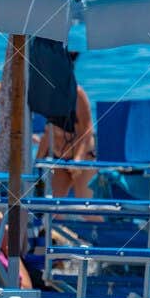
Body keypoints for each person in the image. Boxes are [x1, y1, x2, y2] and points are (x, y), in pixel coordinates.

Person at [38, 62, 95, 198]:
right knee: (55, 206)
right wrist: (37, 162)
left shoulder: (77, 94)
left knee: (85, 203)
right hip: (60, 158)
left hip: (83, 156)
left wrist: (78, 160)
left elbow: (86, 131)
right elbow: (47, 133)